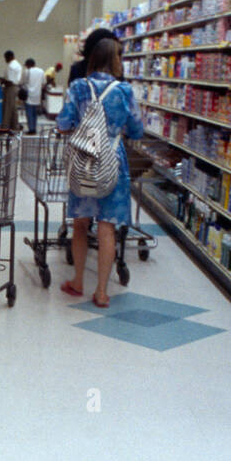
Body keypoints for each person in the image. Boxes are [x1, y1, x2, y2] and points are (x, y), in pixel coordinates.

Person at [56, 35, 144, 309]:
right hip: (112, 163)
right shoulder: (125, 91)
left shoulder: (78, 87)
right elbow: (137, 129)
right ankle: (102, 292)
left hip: (83, 160)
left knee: (81, 225)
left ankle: (78, 281)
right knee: (107, 228)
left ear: (92, 58)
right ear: (116, 60)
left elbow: (63, 123)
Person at [1, 50, 23, 131]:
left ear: (9, 57)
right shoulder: (17, 64)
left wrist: (1, 80)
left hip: (10, 88)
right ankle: (14, 126)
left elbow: (10, 81)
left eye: (5, 58)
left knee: (7, 109)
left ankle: (5, 128)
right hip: (15, 88)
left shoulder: (11, 66)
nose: (5, 60)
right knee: (13, 109)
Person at [23, 58, 44, 134]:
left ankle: (31, 129)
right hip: (37, 95)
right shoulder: (41, 71)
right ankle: (34, 128)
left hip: (29, 95)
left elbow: (23, 82)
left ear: (28, 65)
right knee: (35, 114)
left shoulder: (27, 71)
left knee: (29, 114)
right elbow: (43, 83)